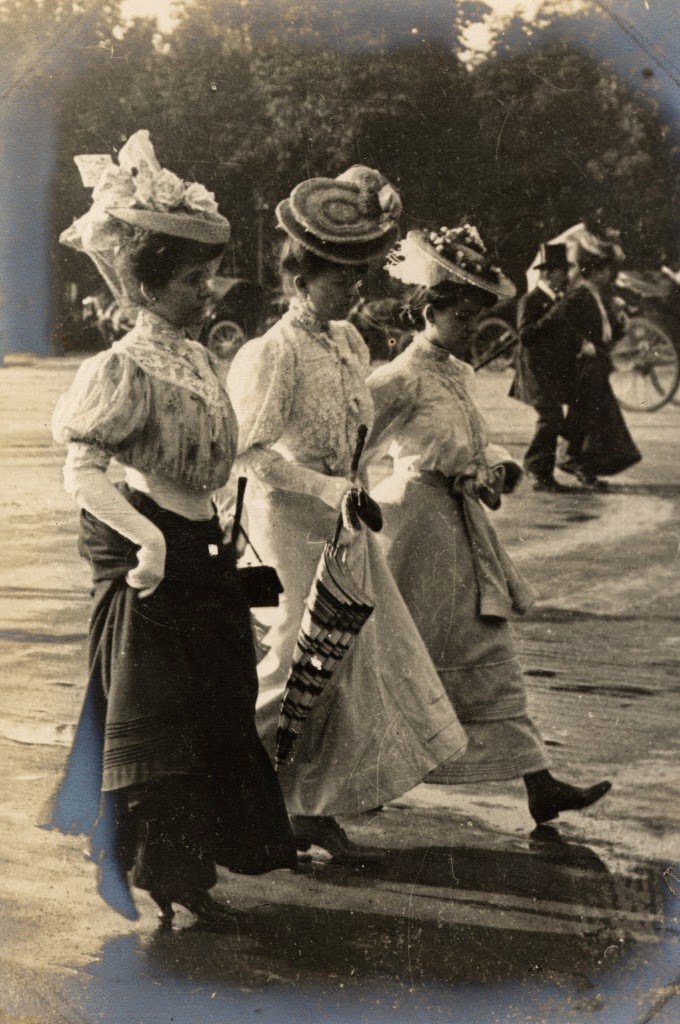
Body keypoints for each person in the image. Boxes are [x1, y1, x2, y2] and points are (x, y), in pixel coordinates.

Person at [42, 131, 297, 927]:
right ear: (150, 286)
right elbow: (82, 467)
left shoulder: (194, 357)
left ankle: (184, 873)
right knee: (160, 734)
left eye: (208, 276)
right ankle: (156, 871)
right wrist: (147, 539)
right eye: (194, 279)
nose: (209, 290)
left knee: (216, 714)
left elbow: (220, 457)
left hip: (204, 555)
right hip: (157, 565)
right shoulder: (122, 365)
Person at [227, 168, 467, 860]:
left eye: (361, 281)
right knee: (294, 662)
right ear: (300, 278)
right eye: (341, 282)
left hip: (344, 527)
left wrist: (365, 483)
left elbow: (358, 434)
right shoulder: (270, 353)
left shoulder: (349, 343)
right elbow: (249, 457)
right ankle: (226, 787)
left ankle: (310, 807)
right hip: (287, 525)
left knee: (346, 665)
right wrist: (332, 492)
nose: (355, 293)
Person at [365, 224, 612, 826]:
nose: (474, 325)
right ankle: (357, 781)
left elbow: (471, 439)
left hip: (458, 526)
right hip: (413, 530)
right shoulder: (396, 378)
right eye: (463, 314)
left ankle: (539, 782)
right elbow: (354, 449)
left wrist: (492, 467)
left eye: (479, 314)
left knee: (486, 646)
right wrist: (353, 507)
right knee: (404, 659)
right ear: (429, 310)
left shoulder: (456, 373)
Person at [557, 247, 642, 489]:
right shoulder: (578, 296)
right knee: (592, 419)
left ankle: (576, 461)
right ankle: (578, 463)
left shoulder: (595, 295)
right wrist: (581, 344)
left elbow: (604, 332)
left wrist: (620, 322)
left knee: (593, 418)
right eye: (603, 271)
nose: (607, 276)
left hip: (597, 366)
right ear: (593, 272)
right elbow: (563, 325)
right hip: (584, 367)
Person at [510, 243, 576, 493]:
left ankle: (543, 471)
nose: (566, 275)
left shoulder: (556, 300)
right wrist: (554, 315)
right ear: (547, 273)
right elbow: (526, 335)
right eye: (561, 270)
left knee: (554, 419)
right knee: (551, 418)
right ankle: (537, 470)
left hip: (551, 373)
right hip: (535, 373)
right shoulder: (531, 300)